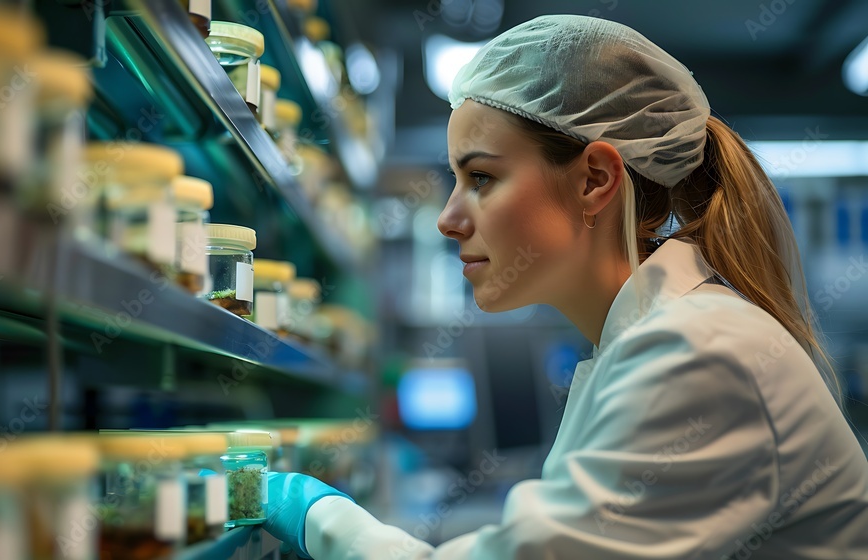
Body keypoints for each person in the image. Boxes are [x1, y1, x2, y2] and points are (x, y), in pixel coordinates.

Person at [263, 14, 868, 559]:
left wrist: (320, 517)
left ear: (594, 181)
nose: (448, 218)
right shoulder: (655, 340)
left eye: (481, 177)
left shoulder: (700, 353)